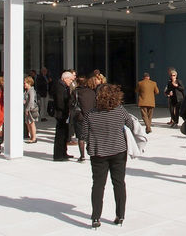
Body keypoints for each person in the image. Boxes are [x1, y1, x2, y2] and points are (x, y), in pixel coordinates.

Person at [80, 84, 137, 228]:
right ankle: (120, 215)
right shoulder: (120, 111)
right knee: (119, 183)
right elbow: (130, 125)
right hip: (118, 150)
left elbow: (83, 135)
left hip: (98, 152)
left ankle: (95, 218)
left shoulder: (90, 113)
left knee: (98, 185)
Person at [52, 71, 74, 161]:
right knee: (60, 135)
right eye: (70, 80)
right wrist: (66, 108)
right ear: (65, 78)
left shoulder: (65, 86)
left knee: (64, 134)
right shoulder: (60, 87)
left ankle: (63, 152)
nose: (71, 82)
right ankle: (58, 155)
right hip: (61, 113)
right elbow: (60, 101)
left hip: (64, 113)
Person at [74, 77, 96, 161]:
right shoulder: (92, 92)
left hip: (80, 116)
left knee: (81, 137)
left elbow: (72, 103)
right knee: (91, 135)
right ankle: (92, 153)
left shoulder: (76, 92)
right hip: (92, 116)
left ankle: (82, 156)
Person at [23, 76, 39, 143]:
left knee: (31, 123)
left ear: (29, 83)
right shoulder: (27, 91)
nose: (24, 85)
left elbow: (31, 101)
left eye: (25, 83)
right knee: (28, 123)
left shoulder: (31, 91)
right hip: (28, 109)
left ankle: (34, 137)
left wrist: (27, 109)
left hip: (31, 109)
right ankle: (31, 136)